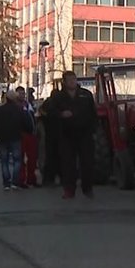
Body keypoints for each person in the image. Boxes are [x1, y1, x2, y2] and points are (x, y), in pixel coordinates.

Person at [45, 71, 97, 199]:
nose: (72, 82)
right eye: (69, 80)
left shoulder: (85, 95)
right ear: (64, 82)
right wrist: (61, 114)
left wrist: (93, 130)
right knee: (68, 164)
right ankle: (69, 189)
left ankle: (87, 189)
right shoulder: (58, 97)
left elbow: (93, 113)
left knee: (87, 162)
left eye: (74, 79)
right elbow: (50, 112)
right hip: (66, 134)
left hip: (84, 134)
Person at [0, 89, 32, 191]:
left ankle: (6, 183)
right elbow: (27, 123)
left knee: (4, 161)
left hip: (3, 139)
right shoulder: (19, 110)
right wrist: (27, 132)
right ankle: (15, 182)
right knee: (17, 160)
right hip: (16, 138)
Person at [15, 86, 39, 188]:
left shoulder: (28, 105)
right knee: (20, 159)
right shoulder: (16, 106)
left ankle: (31, 179)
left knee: (32, 158)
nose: (22, 95)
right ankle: (21, 180)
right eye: (20, 93)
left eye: (23, 93)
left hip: (31, 134)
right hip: (21, 134)